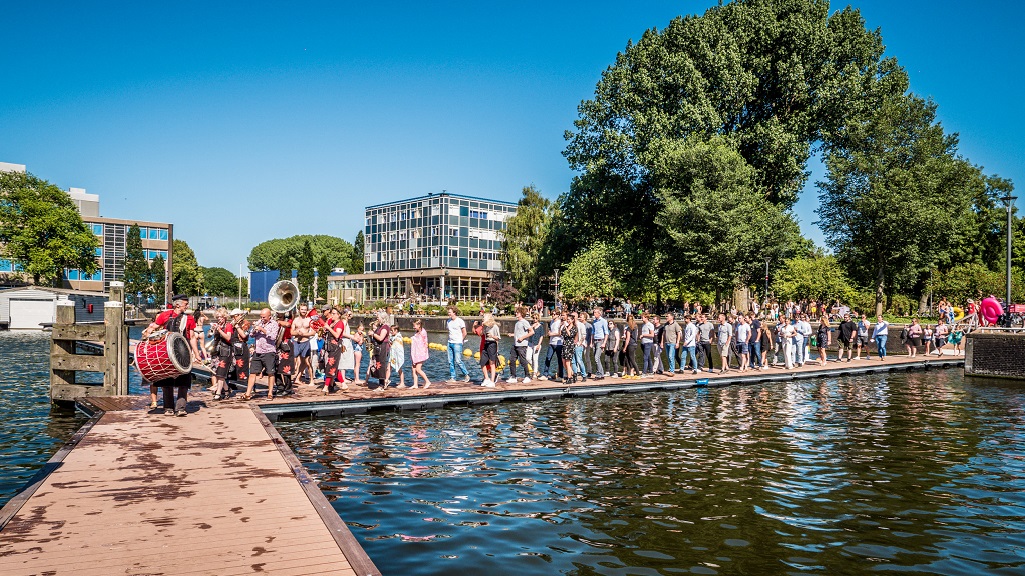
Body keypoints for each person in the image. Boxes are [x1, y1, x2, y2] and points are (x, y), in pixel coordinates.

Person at [142, 294, 195, 416]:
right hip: (168, 351)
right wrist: (148, 331)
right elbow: (154, 326)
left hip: (183, 352)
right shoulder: (165, 315)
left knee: (183, 380)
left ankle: (180, 407)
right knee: (167, 379)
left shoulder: (190, 318)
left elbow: (192, 337)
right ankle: (168, 407)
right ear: (177, 305)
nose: (187, 306)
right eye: (185, 304)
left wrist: (195, 354)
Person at [243, 308, 279, 400]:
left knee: (270, 373)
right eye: (261, 316)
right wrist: (255, 329)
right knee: (253, 372)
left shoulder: (274, 324)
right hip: (258, 350)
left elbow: (273, 337)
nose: (262, 318)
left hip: (269, 351)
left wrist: (262, 329)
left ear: (269, 316)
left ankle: (270, 393)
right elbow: (251, 335)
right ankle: (248, 393)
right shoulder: (259, 322)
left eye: (264, 317)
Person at [208, 307, 234, 400]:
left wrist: (219, 330)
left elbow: (228, 337)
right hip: (216, 351)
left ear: (225, 317)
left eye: (221, 317)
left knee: (221, 373)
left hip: (225, 351)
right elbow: (209, 335)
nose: (219, 319)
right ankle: (227, 391)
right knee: (216, 372)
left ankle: (218, 393)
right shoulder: (218, 325)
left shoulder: (228, 325)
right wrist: (212, 329)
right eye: (218, 317)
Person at [321, 308, 348, 394]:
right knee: (333, 366)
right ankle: (343, 384)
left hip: (336, 347)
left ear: (338, 315)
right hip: (330, 346)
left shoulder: (340, 323)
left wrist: (328, 328)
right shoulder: (331, 322)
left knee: (331, 365)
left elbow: (337, 335)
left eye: (334, 313)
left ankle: (326, 387)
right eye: (331, 313)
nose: (332, 315)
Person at [506, 306, 534, 383]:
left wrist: (522, 338)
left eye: (517, 312)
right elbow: (518, 333)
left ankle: (527, 376)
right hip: (515, 344)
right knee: (512, 360)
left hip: (522, 345)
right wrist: (512, 335)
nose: (516, 313)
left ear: (521, 313)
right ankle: (513, 376)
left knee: (523, 361)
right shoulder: (517, 323)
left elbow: (531, 332)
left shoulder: (524, 322)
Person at [445, 307, 470, 383]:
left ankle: (466, 375)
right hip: (450, 342)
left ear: (454, 313)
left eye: (450, 312)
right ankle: (453, 377)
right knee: (450, 361)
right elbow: (449, 332)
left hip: (457, 343)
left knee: (458, 360)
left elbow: (464, 332)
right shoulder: (448, 321)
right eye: (448, 312)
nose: (448, 313)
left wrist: (461, 341)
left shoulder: (460, 321)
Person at [292, 304, 314, 386]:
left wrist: (304, 334)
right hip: (296, 342)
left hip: (305, 342)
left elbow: (313, 332)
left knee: (307, 362)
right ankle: (296, 378)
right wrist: (297, 333)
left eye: (305, 309)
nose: (304, 311)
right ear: (299, 310)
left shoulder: (309, 320)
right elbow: (292, 332)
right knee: (294, 361)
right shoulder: (295, 320)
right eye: (302, 309)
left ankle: (311, 380)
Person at [274, 310, 294, 397]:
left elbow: (288, 325)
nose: (278, 313)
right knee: (275, 367)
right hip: (276, 344)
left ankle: (288, 388)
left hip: (286, 343)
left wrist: (276, 322)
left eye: (280, 311)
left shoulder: (289, 320)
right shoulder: (274, 321)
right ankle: (280, 386)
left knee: (286, 368)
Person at [371, 310, 392, 390]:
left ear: (383, 318)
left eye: (378, 317)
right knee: (378, 364)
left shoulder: (385, 327)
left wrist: (373, 334)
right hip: (378, 347)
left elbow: (381, 338)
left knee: (381, 364)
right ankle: (381, 383)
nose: (377, 319)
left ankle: (382, 385)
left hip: (382, 347)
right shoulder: (380, 326)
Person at [542, 312, 564, 381]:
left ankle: (561, 375)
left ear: (558, 315)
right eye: (552, 314)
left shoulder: (560, 322)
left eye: (554, 314)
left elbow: (560, 334)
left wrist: (552, 334)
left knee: (560, 360)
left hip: (558, 343)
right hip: (551, 343)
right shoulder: (551, 322)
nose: (553, 315)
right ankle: (545, 374)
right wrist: (550, 334)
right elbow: (551, 331)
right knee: (548, 358)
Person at [480, 313, 500, 387]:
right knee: (482, 362)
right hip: (486, 343)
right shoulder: (485, 326)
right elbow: (481, 334)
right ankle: (486, 378)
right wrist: (482, 326)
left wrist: (492, 336)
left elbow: (498, 338)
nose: (483, 319)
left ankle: (492, 381)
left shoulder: (495, 326)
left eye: (484, 317)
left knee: (492, 363)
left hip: (492, 343)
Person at [410, 319, 431, 389]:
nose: (413, 327)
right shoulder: (417, 332)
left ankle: (427, 381)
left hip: (420, 353)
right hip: (415, 352)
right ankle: (415, 384)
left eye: (415, 326)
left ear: (419, 325)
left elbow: (424, 342)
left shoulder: (423, 332)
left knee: (418, 369)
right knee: (413, 368)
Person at [560, 311, 579, 383]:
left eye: (569, 319)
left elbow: (570, 335)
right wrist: (560, 326)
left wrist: (565, 327)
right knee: (564, 362)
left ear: (572, 320)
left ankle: (569, 378)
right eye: (567, 319)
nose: (567, 321)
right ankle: (573, 374)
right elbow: (561, 334)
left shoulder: (574, 328)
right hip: (564, 345)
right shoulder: (566, 327)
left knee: (568, 362)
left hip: (570, 345)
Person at [591, 308, 609, 379]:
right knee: (597, 358)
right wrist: (591, 342)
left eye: (595, 312)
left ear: (599, 313)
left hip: (600, 341)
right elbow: (593, 332)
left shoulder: (603, 321)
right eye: (594, 312)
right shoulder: (594, 321)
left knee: (596, 358)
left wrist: (604, 343)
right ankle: (601, 374)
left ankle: (599, 374)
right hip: (595, 340)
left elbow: (606, 333)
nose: (594, 314)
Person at [622, 314, 640, 378]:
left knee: (632, 360)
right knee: (627, 358)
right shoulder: (635, 327)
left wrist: (625, 347)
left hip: (630, 345)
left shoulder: (629, 328)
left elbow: (627, 339)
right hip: (634, 344)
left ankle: (638, 373)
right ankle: (629, 373)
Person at [528, 313, 544, 380]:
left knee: (535, 358)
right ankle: (536, 368)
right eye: (534, 318)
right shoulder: (530, 325)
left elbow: (541, 336)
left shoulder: (541, 326)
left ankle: (535, 372)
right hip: (530, 343)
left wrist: (539, 344)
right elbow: (528, 332)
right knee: (527, 358)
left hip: (537, 344)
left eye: (536, 318)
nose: (535, 319)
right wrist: (532, 326)